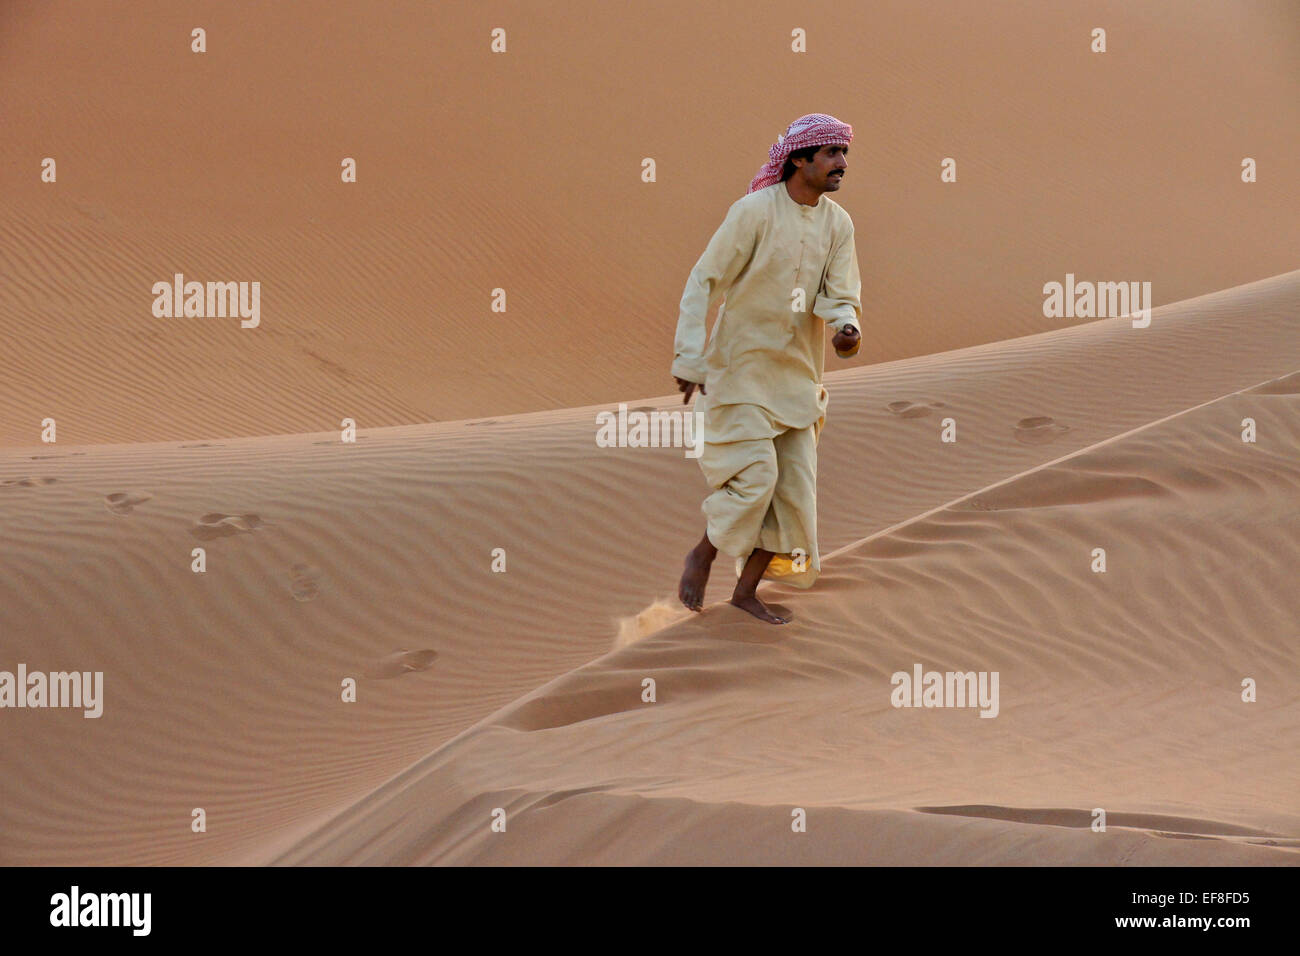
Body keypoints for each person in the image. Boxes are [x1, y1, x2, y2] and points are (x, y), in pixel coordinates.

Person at [673, 113, 862, 624]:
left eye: (844, 154)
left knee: (794, 496)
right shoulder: (754, 212)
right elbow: (705, 280)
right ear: (799, 159)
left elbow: (839, 295)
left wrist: (846, 327)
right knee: (755, 479)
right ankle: (704, 553)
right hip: (741, 371)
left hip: (799, 379)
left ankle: (745, 593)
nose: (842, 164)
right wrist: (690, 358)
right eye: (831, 154)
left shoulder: (837, 223)